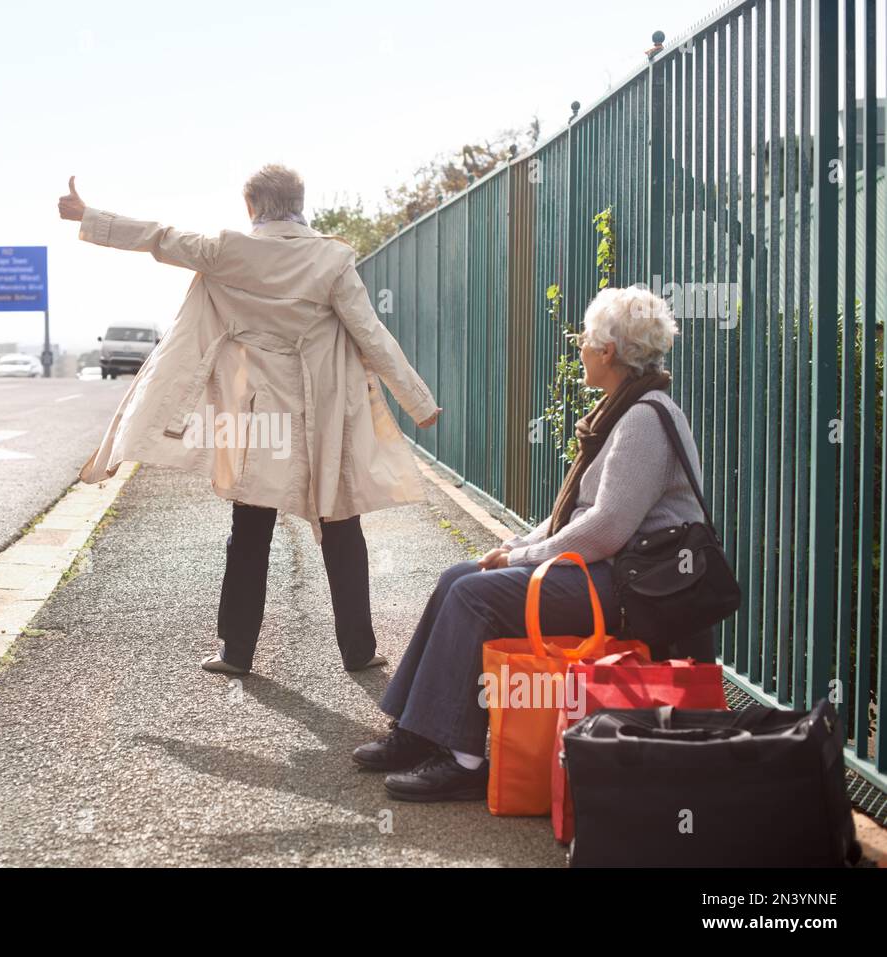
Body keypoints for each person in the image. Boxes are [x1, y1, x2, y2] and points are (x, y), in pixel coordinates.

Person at [58, 166, 439, 676]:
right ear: (301, 202)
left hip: (257, 417)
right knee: (341, 526)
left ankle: (236, 652)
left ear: (252, 206)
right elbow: (372, 336)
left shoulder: (227, 251)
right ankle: (358, 650)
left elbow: (159, 237)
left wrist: (89, 216)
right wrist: (419, 402)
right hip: (320, 416)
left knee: (250, 529)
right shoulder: (331, 258)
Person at [353, 285, 708, 802]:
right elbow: (575, 514)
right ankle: (418, 730)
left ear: (608, 352)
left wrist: (519, 558)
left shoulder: (642, 421)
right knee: (460, 575)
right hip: (613, 573)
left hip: (634, 590)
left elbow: (606, 528)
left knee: (476, 596)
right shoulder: (624, 409)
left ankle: (464, 759)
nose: (579, 348)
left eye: (585, 339)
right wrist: (514, 545)